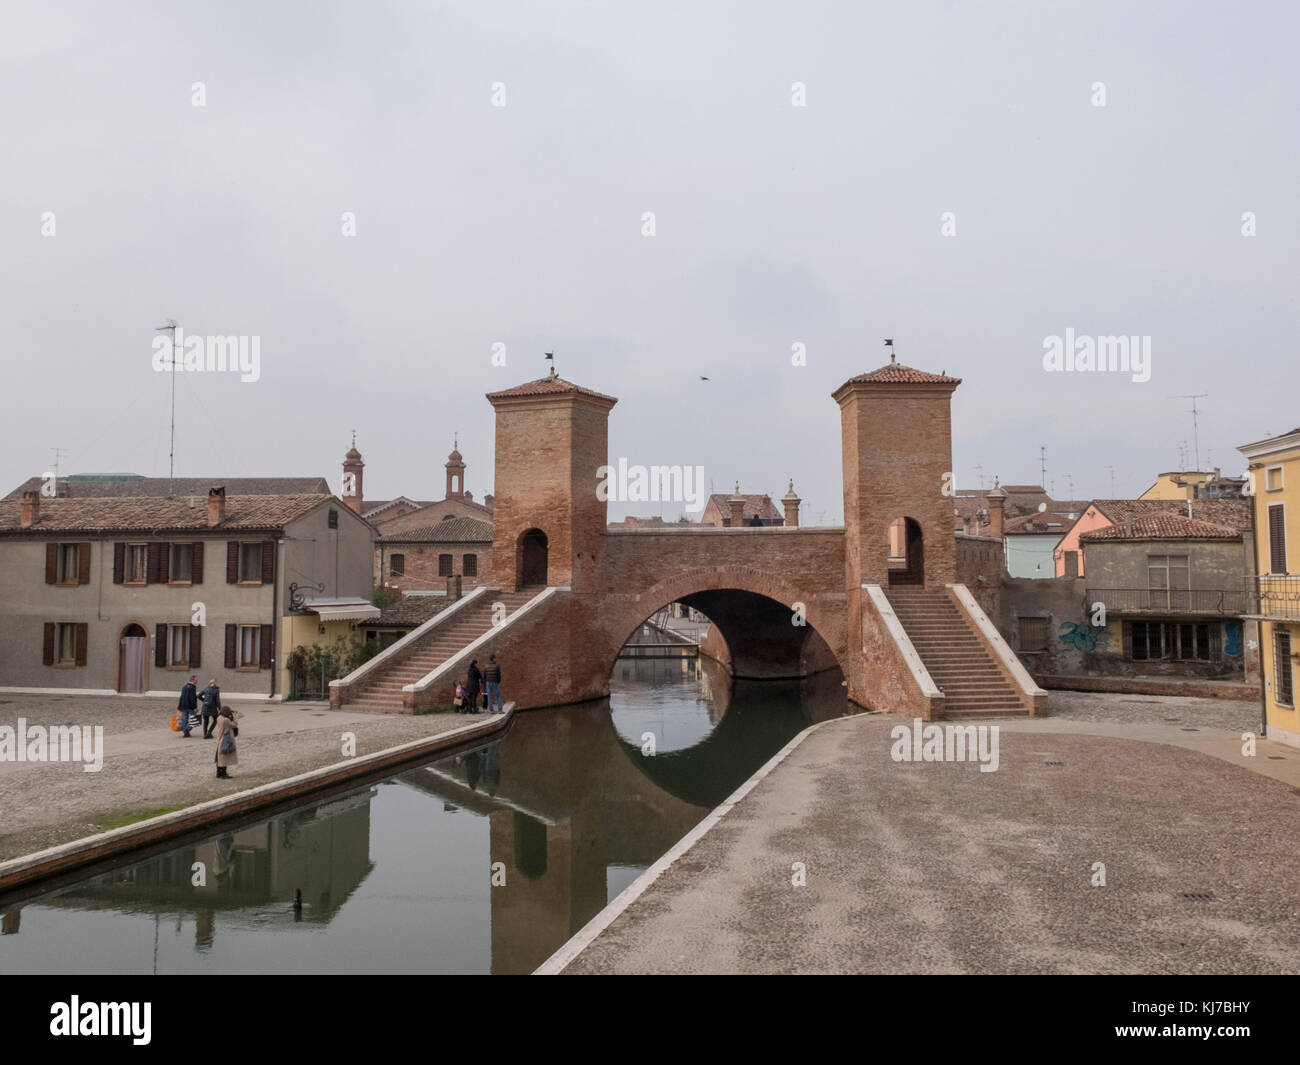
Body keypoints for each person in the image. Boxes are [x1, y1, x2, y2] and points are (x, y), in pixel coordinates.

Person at [213, 706, 241, 778]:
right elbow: (234, 725)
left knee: (220, 758)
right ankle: (223, 774)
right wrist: (235, 717)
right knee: (224, 757)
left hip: (221, 738)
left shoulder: (219, 718)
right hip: (226, 739)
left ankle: (219, 773)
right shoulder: (225, 720)